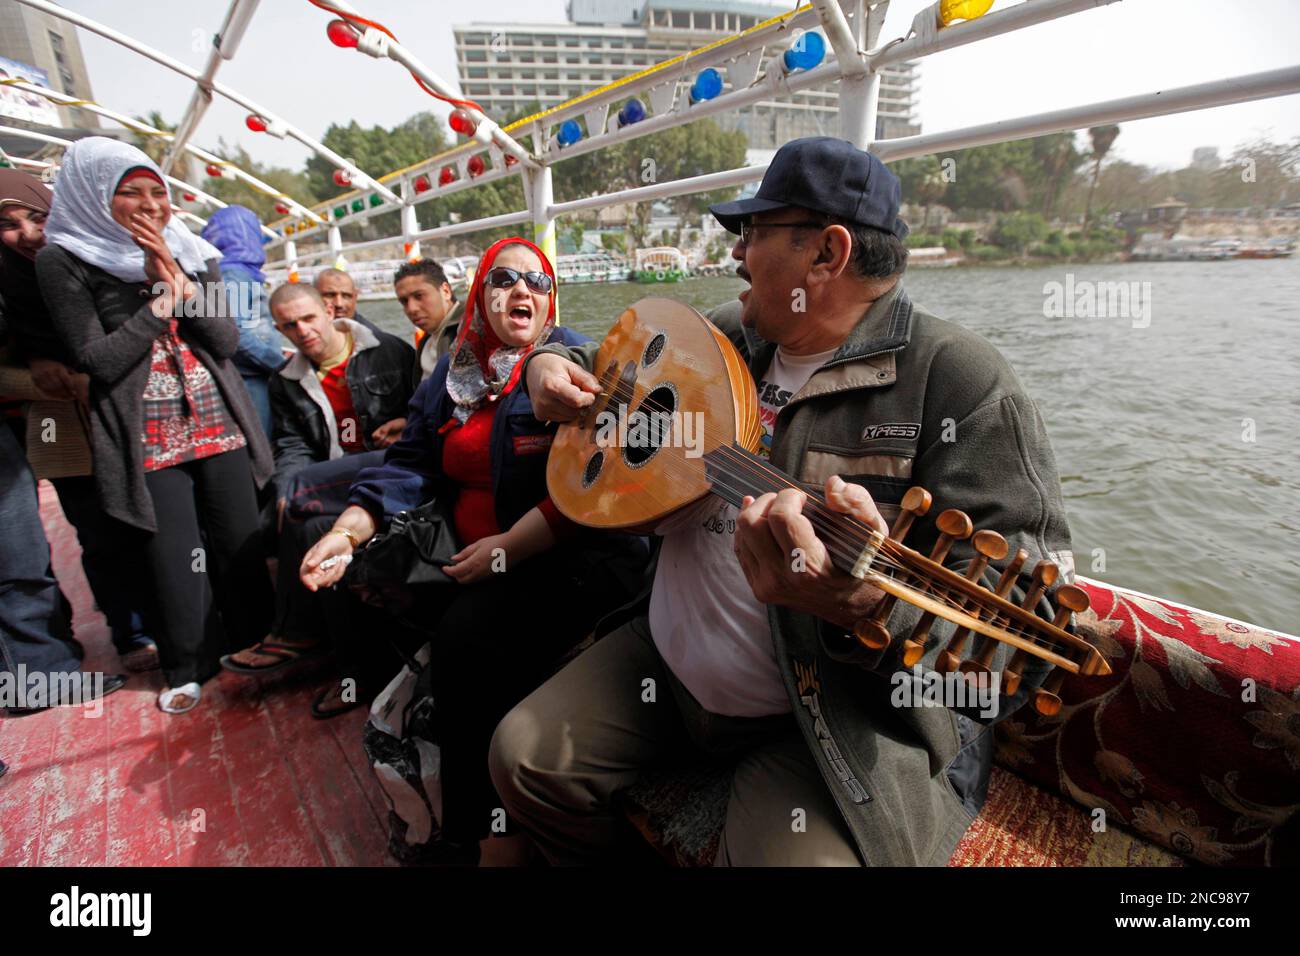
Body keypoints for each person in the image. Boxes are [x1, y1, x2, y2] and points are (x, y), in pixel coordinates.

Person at [489, 137, 1075, 866]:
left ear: (825, 255)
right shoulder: (737, 332)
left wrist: (861, 605)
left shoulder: (959, 381)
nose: (736, 255)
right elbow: (597, 358)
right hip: (666, 659)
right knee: (522, 758)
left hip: (826, 712)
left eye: (753, 234)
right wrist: (546, 364)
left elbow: (1029, 638)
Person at [299, 237, 649, 862]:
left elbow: (602, 483)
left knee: (466, 641)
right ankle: (430, 786)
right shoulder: (454, 373)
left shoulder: (572, 366)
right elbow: (412, 465)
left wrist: (511, 548)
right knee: (362, 588)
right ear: (481, 293)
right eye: (506, 279)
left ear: (551, 301)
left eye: (538, 282)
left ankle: (492, 838)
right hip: (468, 555)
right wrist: (347, 529)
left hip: (565, 559)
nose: (523, 292)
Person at [36, 137, 275, 714]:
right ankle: (187, 662)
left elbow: (224, 341)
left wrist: (178, 279)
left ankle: (258, 645)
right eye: (131, 194)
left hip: (218, 419)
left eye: (158, 193)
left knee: (237, 540)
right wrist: (157, 306)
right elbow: (95, 360)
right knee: (172, 553)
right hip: (147, 430)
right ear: (95, 198)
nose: (151, 207)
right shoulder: (65, 258)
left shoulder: (192, 250)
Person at [0, 167, 157, 672]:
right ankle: (131, 631)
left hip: (130, 413)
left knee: (151, 517)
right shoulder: (7, 282)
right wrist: (36, 371)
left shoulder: (100, 253)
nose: (27, 234)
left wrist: (98, 372)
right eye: (7, 224)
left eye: (37, 216)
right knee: (95, 527)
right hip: (59, 427)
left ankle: (175, 619)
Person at [220, 282, 415, 681]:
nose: (303, 330)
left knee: (300, 502)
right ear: (280, 330)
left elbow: (425, 417)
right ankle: (336, 657)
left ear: (329, 311)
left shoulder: (389, 351)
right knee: (301, 516)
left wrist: (406, 427)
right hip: (336, 484)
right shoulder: (285, 381)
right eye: (290, 326)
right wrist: (285, 483)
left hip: (388, 475)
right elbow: (293, 443)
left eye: (308, 318)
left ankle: (297, 636)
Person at [200, 204, 285, 439]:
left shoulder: (229, 273)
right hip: (250, 378)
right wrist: (280, 364)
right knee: (259, 443)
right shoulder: (233, 275)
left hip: (251, 373)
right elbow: (237, 332)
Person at [393, 258, 463, 382]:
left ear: (445, 291)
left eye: (419, 296)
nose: (411, 308)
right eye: (404, 301)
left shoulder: (471, 329)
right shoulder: (426, 341)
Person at [313, 266, 383, 336]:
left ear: (355, 298)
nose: (339, 304)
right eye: (330, 295)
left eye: (346, 296)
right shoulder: (304, 332)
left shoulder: (375, 340)